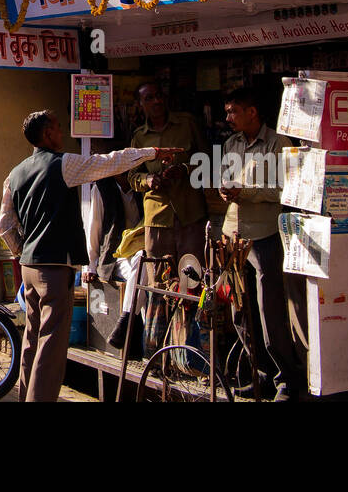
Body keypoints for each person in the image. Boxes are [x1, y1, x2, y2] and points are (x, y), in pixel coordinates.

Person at [0, 109, 175, 402]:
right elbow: (107, 163)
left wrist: (23, 250)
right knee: (51, 346)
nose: (61, 132)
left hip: (29, 266)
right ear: (46, 135)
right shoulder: (63, 165)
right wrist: (151, 152)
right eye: (56, 127)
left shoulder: (15, 173)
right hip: (54, 267)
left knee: (32, 338)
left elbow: (5, 225)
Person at [219, 86, 302, 402]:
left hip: (265, 237)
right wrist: (227, 192)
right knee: (242, 313)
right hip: (234, 237)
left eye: (233, 111)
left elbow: (289, 192)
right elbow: (227, 184)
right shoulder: (231, 144)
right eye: (227, 112)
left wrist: (248, 192)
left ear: (252, 112)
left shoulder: (279, 144)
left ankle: (287, 381)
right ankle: (260, 375)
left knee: (270, 313)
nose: (228, 118)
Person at [128, 80, 206, 267]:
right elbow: (132, 177)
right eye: (149, 98)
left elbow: (208, 159)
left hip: (190, 214)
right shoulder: (139, 137)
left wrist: (185, 169)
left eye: (159, 96)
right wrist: (148, 180)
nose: (156, 102)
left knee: (193, 277)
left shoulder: (186, 124)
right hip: (157, 217)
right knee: (159, 278)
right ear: (140, 104)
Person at [82, 168, 147, 351]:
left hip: (139, 251)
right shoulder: (102, 188)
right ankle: (129, 324)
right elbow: (93, 227)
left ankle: (129, 323)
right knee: (140, 269)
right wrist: (91, 265)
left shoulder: (141, 188)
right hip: (114, 256)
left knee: (143, 266)